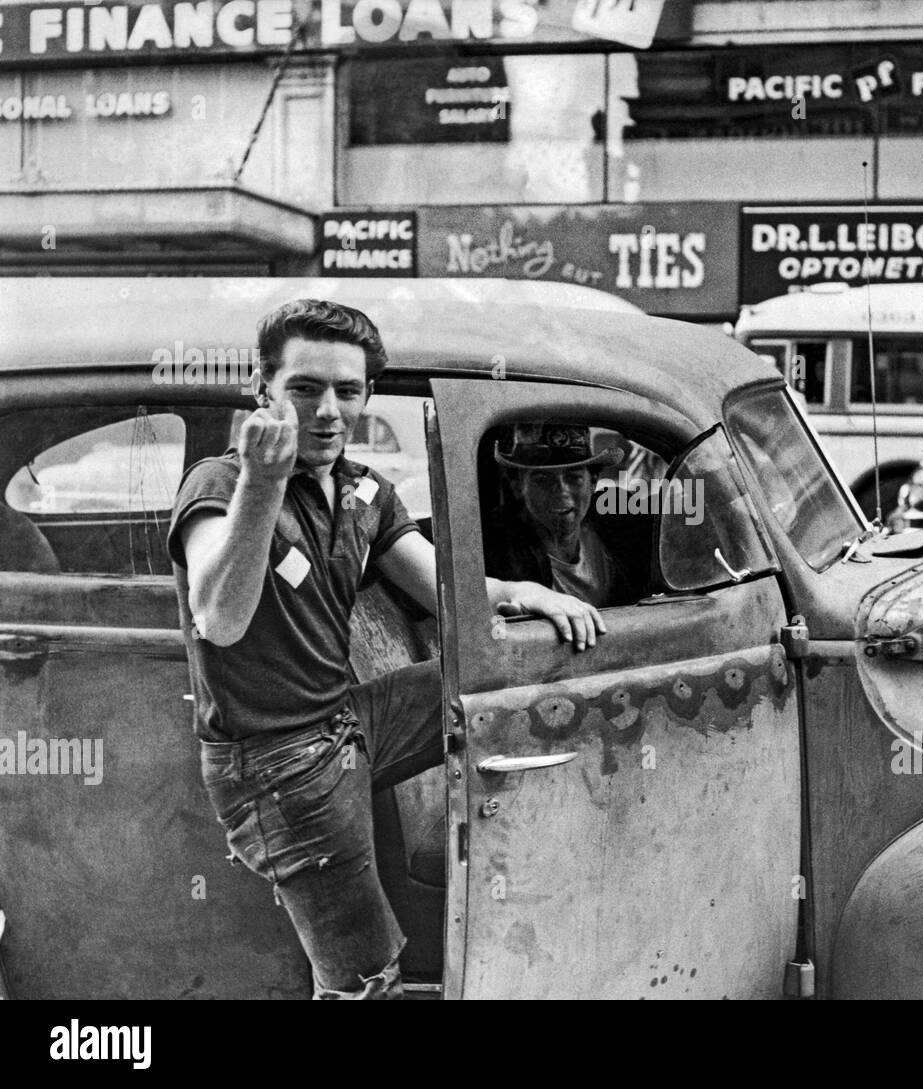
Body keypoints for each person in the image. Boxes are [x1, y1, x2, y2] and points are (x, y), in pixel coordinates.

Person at [167, 299, 605, 1000]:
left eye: (348, 389)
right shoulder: (221, 486)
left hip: (346, 721)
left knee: (496, 683)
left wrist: (530, 590)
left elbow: (443, 587)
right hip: (277, 764)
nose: (328, 410)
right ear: (264, 394)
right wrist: (262, 484)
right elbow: (218, 617)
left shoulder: (363, 491)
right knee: (364, 982)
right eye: (304, 390)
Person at [484, 423, 651, 608]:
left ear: (593, 481)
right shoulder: (495, 544)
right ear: (518, 486)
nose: (561, 491)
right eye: (543, 479)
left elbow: (675, 527)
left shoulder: (620, 516)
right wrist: (513, 591)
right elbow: (465, 585)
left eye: (574, 478)